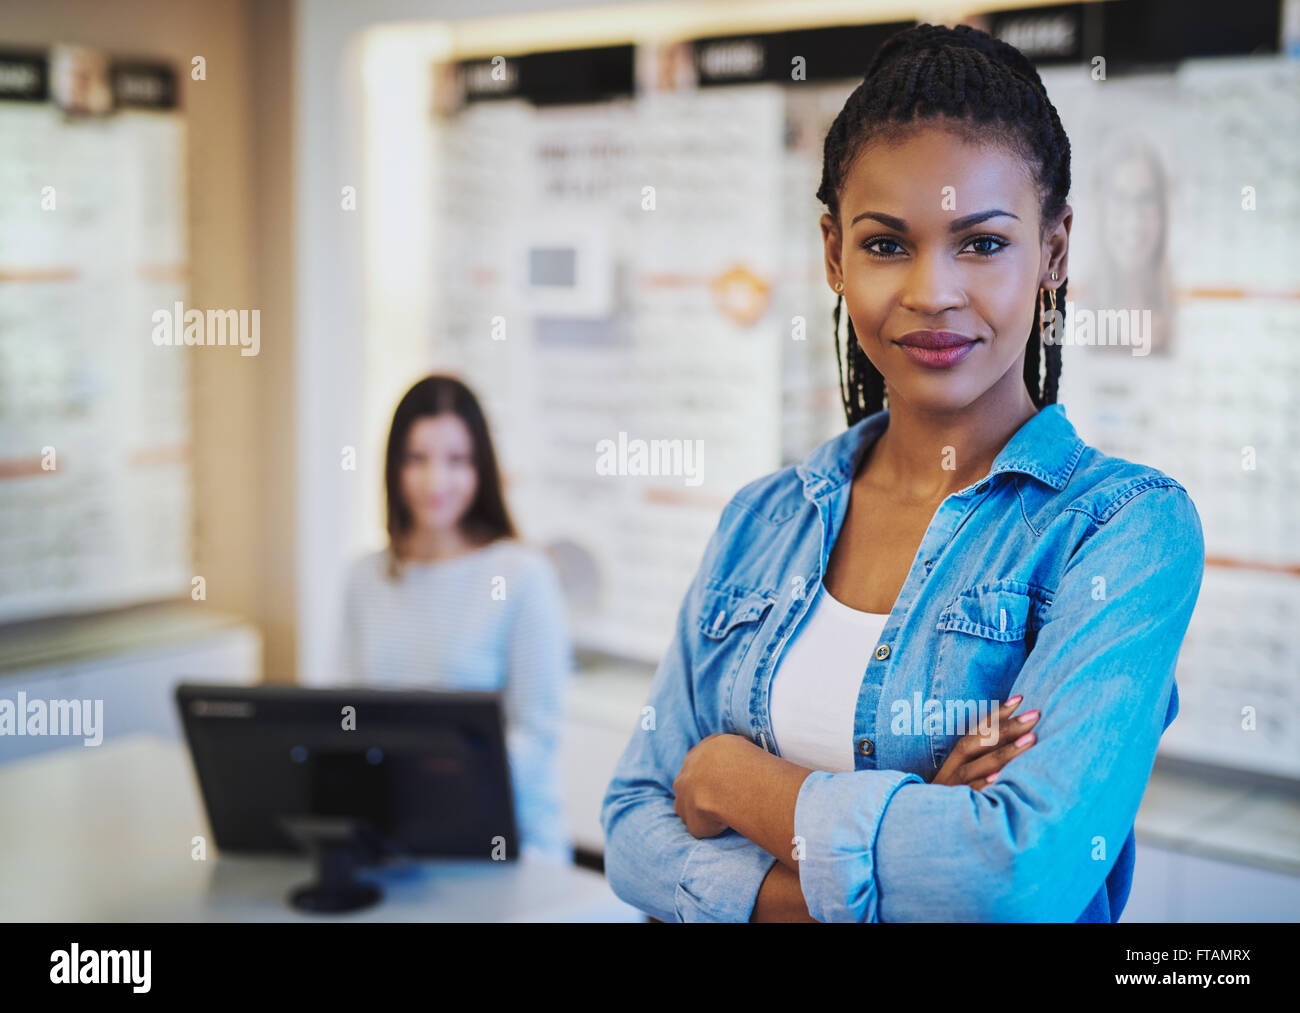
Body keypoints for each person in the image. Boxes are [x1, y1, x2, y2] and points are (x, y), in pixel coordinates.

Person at [601, 23, 1205, 922]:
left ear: (1055, 251)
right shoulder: (760, 519)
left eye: (983, 243)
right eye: (887, 244)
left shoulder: (1119, 531)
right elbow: (629, 827)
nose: (932, 290)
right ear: (834, 255)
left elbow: (1011, 880)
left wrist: (732, 779)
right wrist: (920, 825)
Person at [339, 374, 574, 864]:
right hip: (395, 838)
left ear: (480, 469)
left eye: (456, 460)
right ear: (394, 467)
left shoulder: (523, 575)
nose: (435, 482)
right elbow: (349, 714)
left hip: (505, 841)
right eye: (417, 459)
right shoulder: (367, 577)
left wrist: (434, 782)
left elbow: (537, 735)